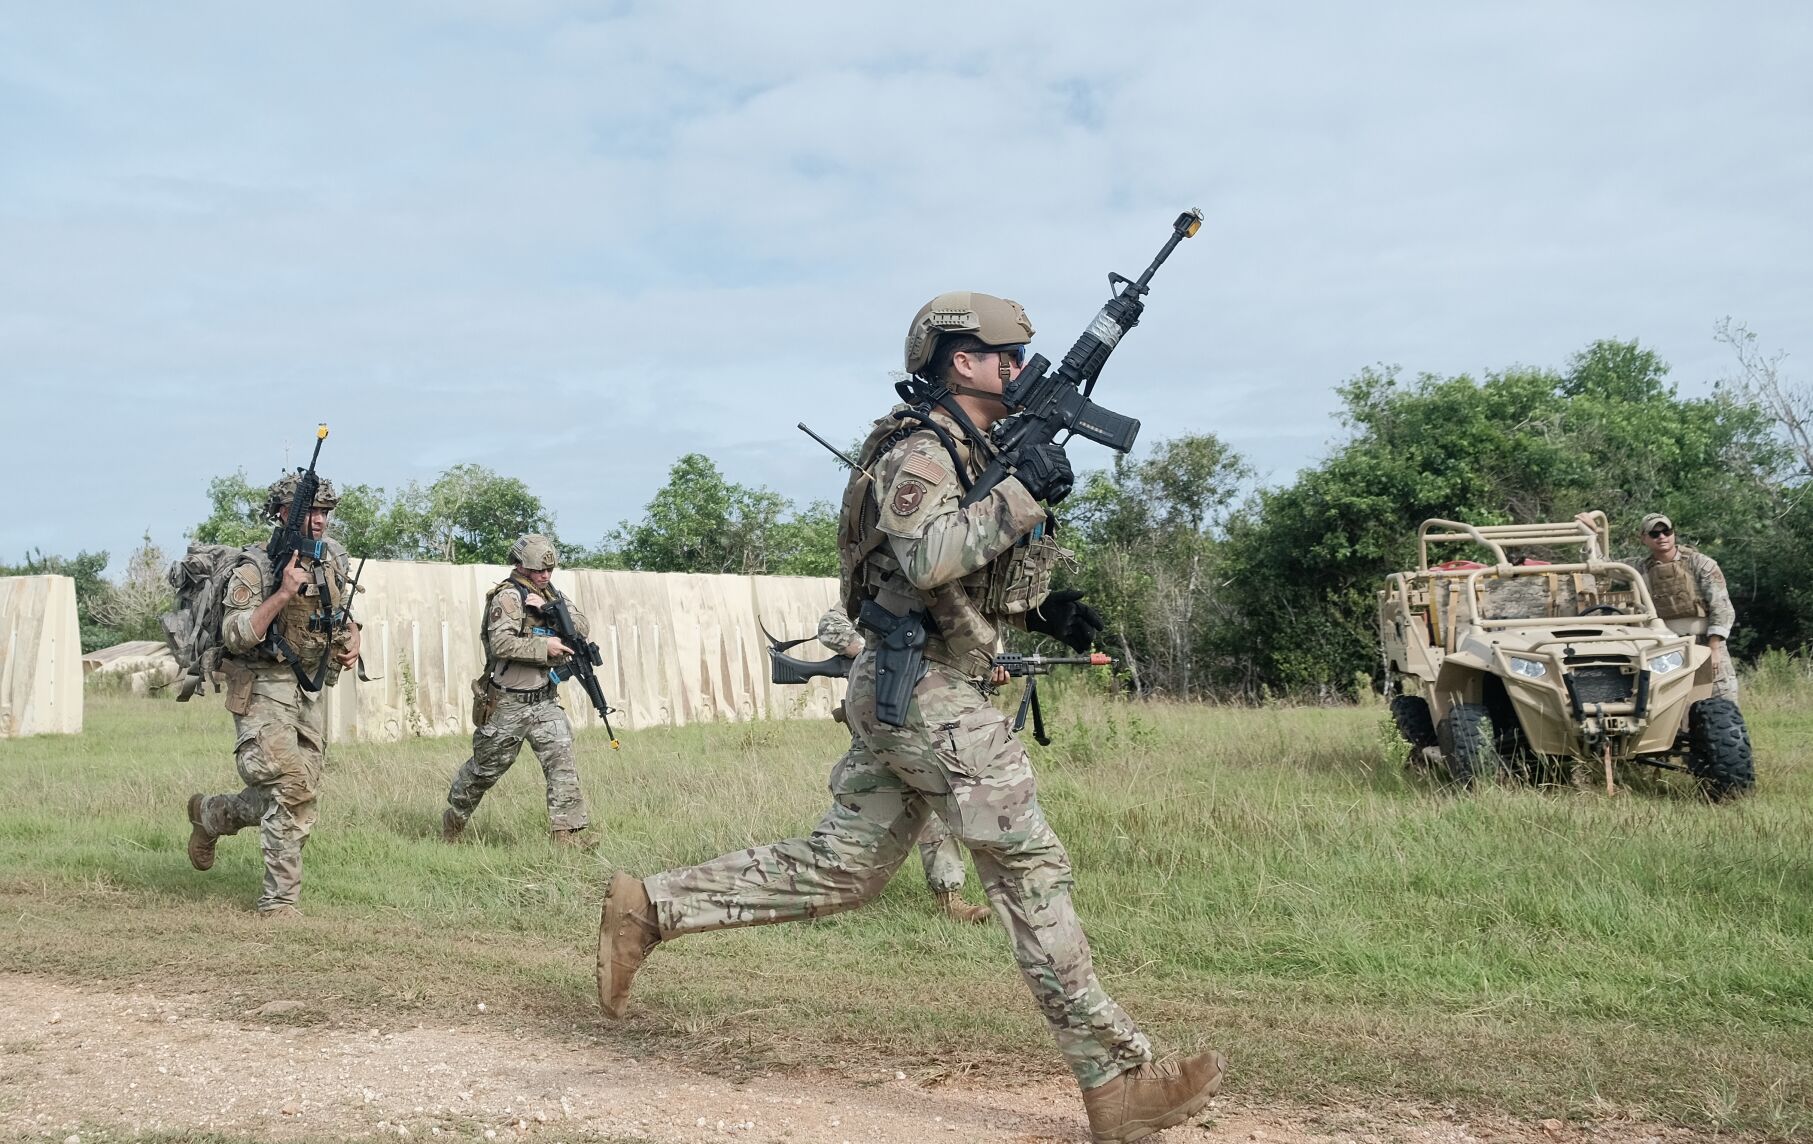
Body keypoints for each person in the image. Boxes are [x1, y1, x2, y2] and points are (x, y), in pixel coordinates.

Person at [597, 292, 1225, 1143]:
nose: (1021, 371)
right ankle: (1117, 1078)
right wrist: (1020, 495)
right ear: (960, 361)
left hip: (911, 682)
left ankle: (651, 907)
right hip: (920, 686)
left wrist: (1047, 606)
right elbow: (927, 557)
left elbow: (967, 576)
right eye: (1006, 356)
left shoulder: (973, 450)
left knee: (842, 869)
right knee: (1026, 861)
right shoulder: (922, 450)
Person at [183, 472, 361, 919]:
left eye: (325, 512)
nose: (319, 521)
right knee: (293, 789)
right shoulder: (256, 569)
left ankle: (212, 815)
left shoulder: (331, 560)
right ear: (285, 514)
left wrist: (353, 638)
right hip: (262, 686)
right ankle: (279, 904)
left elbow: (342, 613)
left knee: (286, 796)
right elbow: (237, 634)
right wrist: (283, 592)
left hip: (309, 691)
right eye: (311, 512)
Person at [816, 606, 992, 925]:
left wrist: (991, 676)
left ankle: (948, 897)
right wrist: (872, 653)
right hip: (883, 720)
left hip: (935, 723)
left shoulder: (965, 611)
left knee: (937, 804)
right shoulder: (887, 591)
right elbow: (830, 624)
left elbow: (975, 670)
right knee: (858, 809)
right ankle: (818, 891)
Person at [441, 534, 598, 848]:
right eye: (540, 570)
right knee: (485, 769)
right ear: (522, 566)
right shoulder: (507, 597)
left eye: (549, 570)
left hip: (544, 699)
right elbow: (501, 644)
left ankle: (565, 835)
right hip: (508, 702)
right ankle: (455, 817)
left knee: (561, 757)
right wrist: (545, 645)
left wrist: (552, 610)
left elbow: (581, 625)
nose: (545, 575)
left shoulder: (551, 594)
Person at [1636, 512, 1739, 700]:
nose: (1662, 537)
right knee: (1673, 703)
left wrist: (1714, 648)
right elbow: (1602, 565)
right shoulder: (1640, 569)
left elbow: (1721, 607)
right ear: (1643, 538)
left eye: (1666, 531)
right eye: (1654, 534)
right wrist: (1591, 533)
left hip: (1705, 642)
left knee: (1721, 701)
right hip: (1666, 647)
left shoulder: (1699, 563)